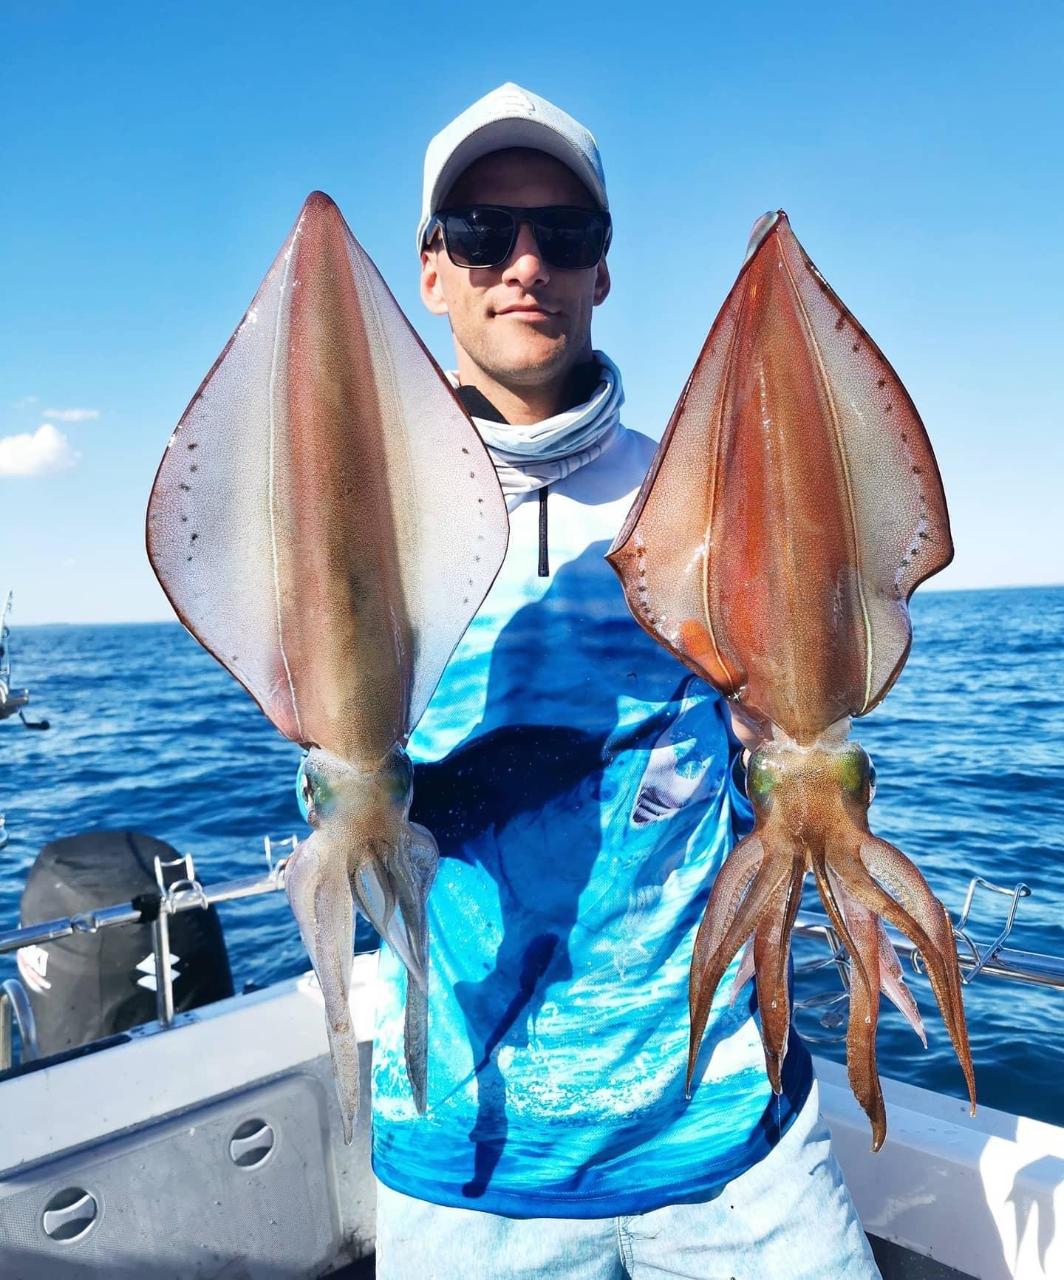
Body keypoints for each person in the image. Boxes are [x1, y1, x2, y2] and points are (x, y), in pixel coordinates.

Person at [368, 83, 881, 1279]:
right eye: (485, 235)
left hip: (730, 1145)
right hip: (465, 1169)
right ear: (433, 269)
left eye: (568, 234)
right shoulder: (370, 528)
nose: (526, 265)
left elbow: (782, 752)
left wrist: (813, 765)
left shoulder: (703, 505)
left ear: (605, 269)